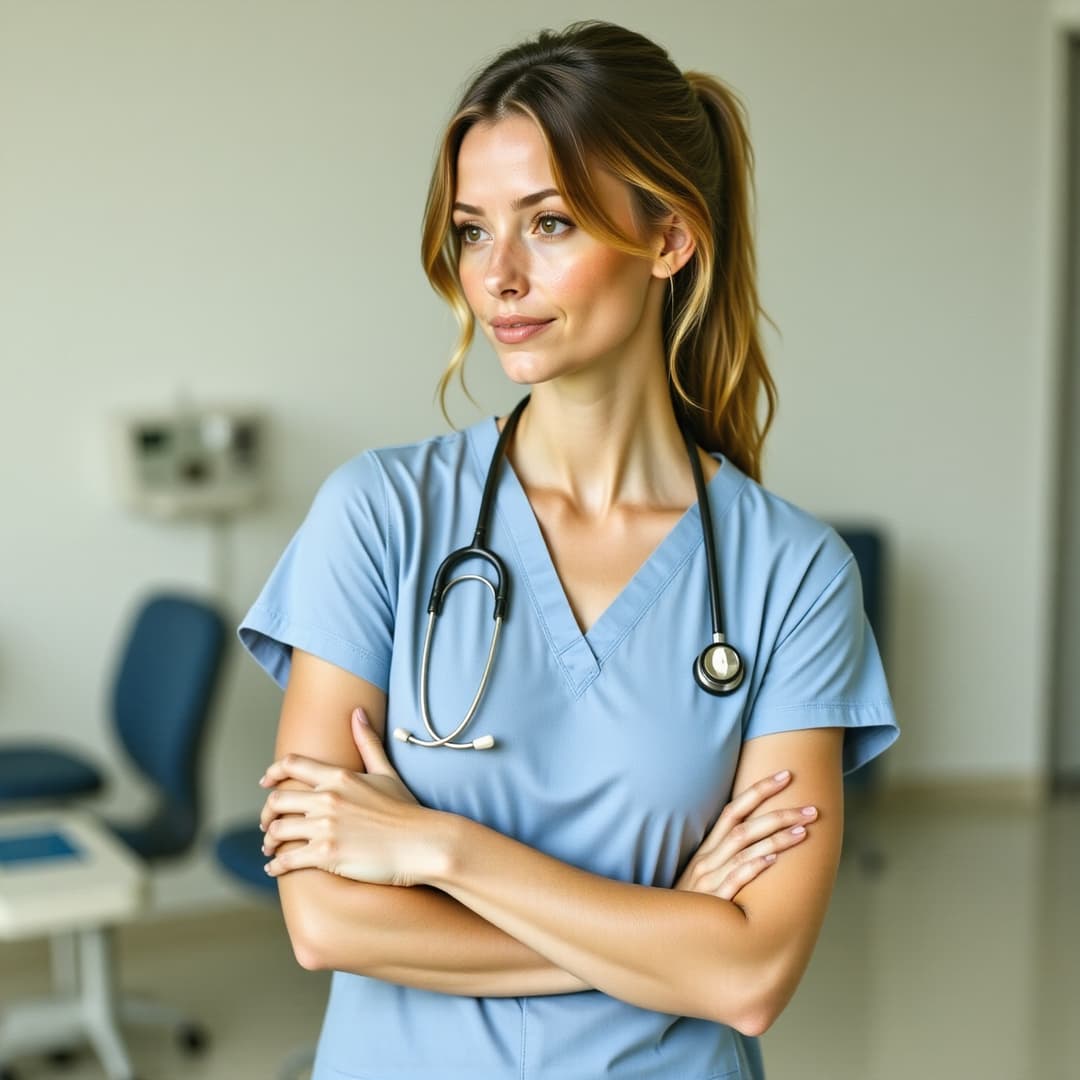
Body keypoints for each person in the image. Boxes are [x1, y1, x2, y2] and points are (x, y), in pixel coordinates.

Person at [240, 19, 898, 1079]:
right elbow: (324, 921)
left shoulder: (792, 576)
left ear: (670, 238)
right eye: (470, 230)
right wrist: (670, 930)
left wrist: (437, 850)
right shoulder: (381, 516)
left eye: (548, 224)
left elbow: (752, 978)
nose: (495, 277)